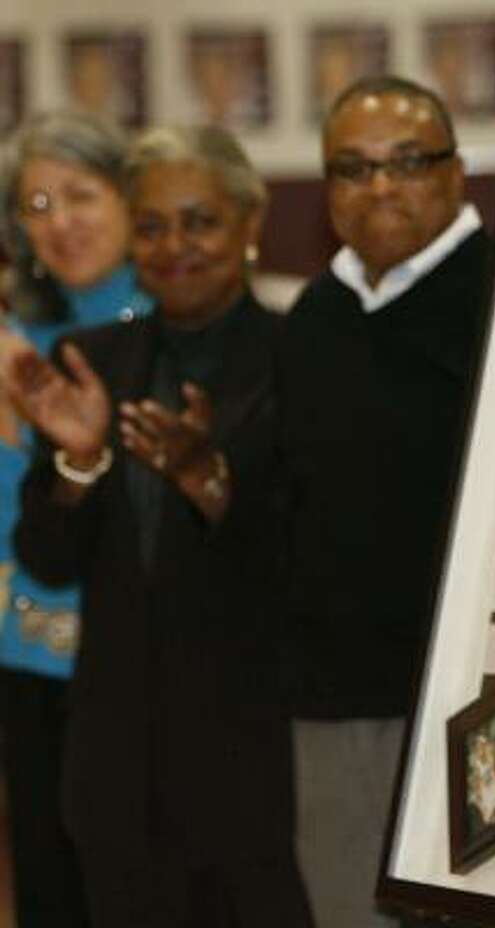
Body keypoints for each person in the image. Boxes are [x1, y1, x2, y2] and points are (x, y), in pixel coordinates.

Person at [8, 125, 311, 927]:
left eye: (199, 221)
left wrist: (209, 483)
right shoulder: (91, 360)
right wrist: (75, 462)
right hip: (115, 775)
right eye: (151, 225)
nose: (174, 245)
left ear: (250, 223)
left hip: (254, 774)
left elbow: (308, 564)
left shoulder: (301, 357)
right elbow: (45, 556)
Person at [277, 75, 490, 927]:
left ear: (456, 171)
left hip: (481, 698)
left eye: (406, 162)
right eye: (354, 169)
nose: (380, 188)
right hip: (338, 704)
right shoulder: (314, 315)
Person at [0, 108, 152, 928]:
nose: (60, 222)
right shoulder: (18, 341)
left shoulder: (181, 321)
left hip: (147, 669)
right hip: (29, 659)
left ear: (130, 196)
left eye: (80, 194)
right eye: (36, 205)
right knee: (53, 888)